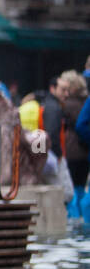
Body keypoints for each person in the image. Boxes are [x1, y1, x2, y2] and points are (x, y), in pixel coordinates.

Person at [56, 69, 88, 218]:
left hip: (72, 150)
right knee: (81, 188)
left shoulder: (68, 105)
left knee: (72, 189)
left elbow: (80, 125)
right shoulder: (84, 100)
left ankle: (74, 219)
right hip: (84, 151)